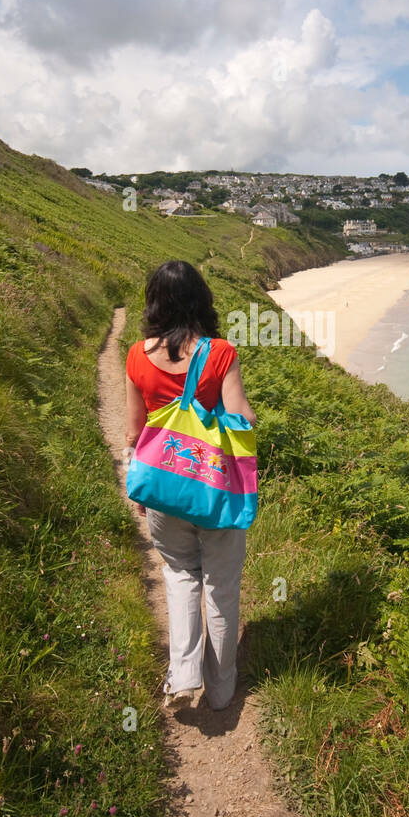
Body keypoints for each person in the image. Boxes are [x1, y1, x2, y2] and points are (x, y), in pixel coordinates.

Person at [125, 260, 257, 712]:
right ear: (202, 299)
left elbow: (133, 431)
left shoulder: (136, 356)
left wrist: (140, 491)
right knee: (221, 585)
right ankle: (221, 690)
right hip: (212, 488)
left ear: (155, 303)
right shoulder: (220, 353)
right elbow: (242, 419)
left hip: (163, 486)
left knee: (181, 576)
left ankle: (182, 677)